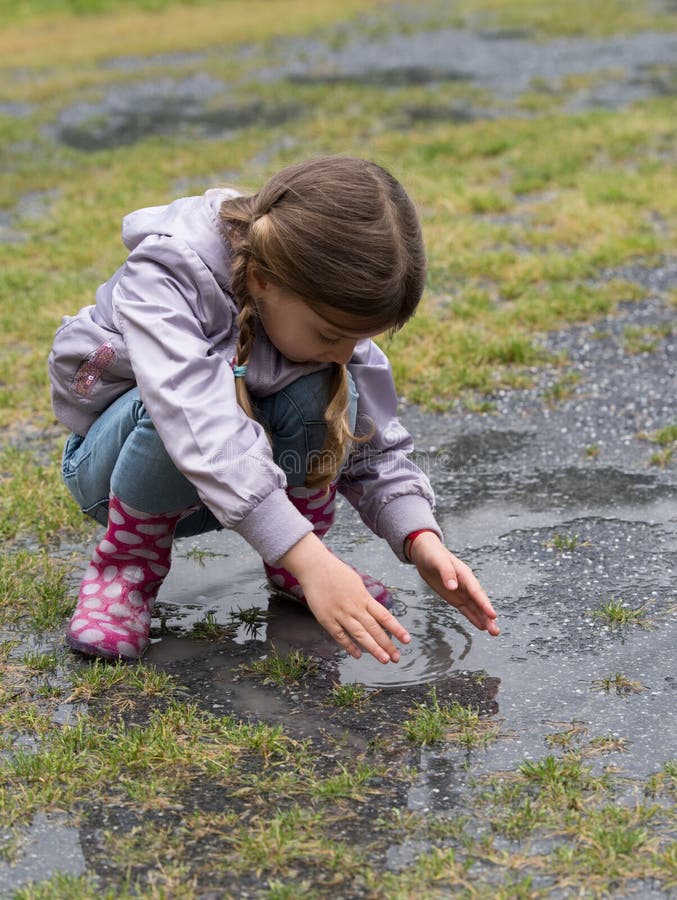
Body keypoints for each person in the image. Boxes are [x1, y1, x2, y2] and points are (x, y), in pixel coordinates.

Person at [48, 155, 499, 664]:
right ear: (261, 279)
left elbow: (374, 446)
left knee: (332, 387)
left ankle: (289, 566)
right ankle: (125, 571)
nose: (345, 351)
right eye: (331, 334)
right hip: (115, 478)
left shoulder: (314, 307)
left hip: (247, 491)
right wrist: (313, 561)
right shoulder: (165, 279)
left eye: (358, 339)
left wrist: (418, 537)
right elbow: (198, 424)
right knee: (172, 408)